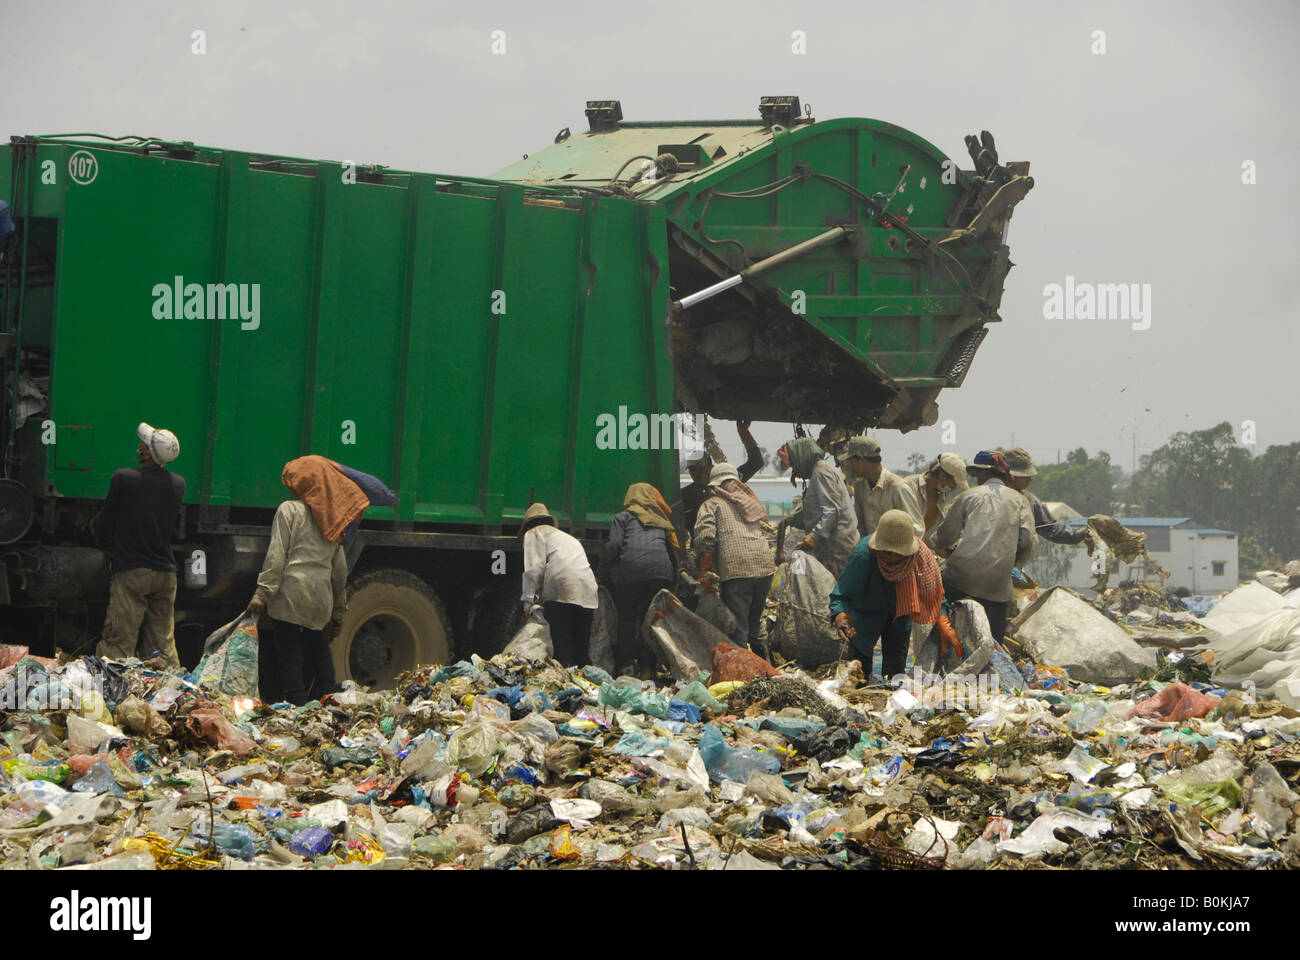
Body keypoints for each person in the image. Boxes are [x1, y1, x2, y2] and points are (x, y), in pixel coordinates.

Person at [248, 456, 358, 705]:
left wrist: (261, 594)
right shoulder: (332, 518)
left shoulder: (288, 510)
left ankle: (296, 703)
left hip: (291, 595)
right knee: (319, 651)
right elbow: (339, 571)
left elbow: (276, 556)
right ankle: (329, 697)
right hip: (320, 597)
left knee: (289, 654)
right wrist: (339, 613)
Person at [94, 423, 186, 668]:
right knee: (162, 647)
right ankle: (167, 694)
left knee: (118, 643)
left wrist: (105, 545)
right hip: (166, 574)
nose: (140, 445)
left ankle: (112, 693)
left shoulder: (124, 478)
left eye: (143, 443)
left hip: (133, 572)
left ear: (147, 452)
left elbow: (104, 522)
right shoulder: (178, 484)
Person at [933, 450, 1036, 641]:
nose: (976, 479)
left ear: (984, 473)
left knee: (935, 599)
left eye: (977, 474)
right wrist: (1010, 563)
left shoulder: (967, 497)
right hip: (997, 586)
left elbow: (945, 536)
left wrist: (938, 546)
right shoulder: (1020, 500)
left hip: (959, 579)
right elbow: (1027, 541)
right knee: (993, 642)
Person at [830, 510, 944, 681]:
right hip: (864, 619)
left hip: (900, 617)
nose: (892, 558)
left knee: (895, 676)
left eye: (898, 554)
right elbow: (841, 595)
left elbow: (936, 594)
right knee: (858, 675)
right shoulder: (863, 555)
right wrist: (841, 617)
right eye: (887, 553)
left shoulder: (918, 557)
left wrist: (943, 620)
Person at [693, 462, 776, 652]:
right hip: (765, 568)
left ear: (714, 485)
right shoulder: (746, 503)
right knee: (755, 624)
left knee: (739, 628)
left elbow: (706, 538)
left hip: (737, 570)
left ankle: (745, 675)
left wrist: (704, 572)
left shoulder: (711, 504)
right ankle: (766, 668)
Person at [598, 483, 680, 674]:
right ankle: (648, 667)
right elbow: (672, 553)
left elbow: (613, 546)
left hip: (632, 573)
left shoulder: (623, 517)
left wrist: (601, 574)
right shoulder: (660, 520)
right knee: (650, 620)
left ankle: (627, 665)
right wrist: (673, 582)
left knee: (627, 618)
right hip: (662, 574)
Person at [520, 502, 598, 667]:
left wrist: (528, 602)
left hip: (562, 588)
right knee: (581, 649)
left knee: (562, 646)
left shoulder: (534, 533)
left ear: (528, 525)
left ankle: (565, 684)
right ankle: (585, 687)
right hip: (588, 590)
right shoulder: (567, 538)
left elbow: (534, 568)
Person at [775, 436, 858, 577]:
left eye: (794, 465)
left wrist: (814, 536)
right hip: (833, 547)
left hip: (837, 549)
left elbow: (832, 510)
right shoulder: (822, 471)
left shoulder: (821, 472)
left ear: (802, 458)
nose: (796, 471)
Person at [679, 419, 764, 542]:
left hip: (730, 543)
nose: (696, 474)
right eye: (692, 470)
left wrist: (743, 432)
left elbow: (755, 462)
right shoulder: (686, 495)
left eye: (699, 469)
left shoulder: (727, 482)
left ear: (710, 467)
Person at [1001, 448, 1092, 546]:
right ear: (1012, 476)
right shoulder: (990, 497)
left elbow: (1051, 529)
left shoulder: (1030, 501)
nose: (1030, 480)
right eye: (1026, 476)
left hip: (1014, 560)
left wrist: (1080, 533)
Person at [841, 435, 921, 539]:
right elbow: (860, 523)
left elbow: (916, 530)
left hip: (897, 551)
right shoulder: (860, 487)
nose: (851, 466)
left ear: (860, 460)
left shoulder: (898, 487)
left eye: (851, 461)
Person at [902, 453, 968, 547]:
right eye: (953, 484)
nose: (954, 488)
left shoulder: (943, 495)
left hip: (925, 550)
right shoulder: (909, 487)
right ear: (942, 477)